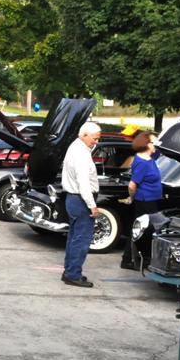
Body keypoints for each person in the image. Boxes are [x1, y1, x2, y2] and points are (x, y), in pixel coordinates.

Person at [61, 121, 102, 288]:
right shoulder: (82, 155)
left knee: (74, 237)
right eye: (95, 138)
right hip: (80, 200)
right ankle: (73, 274)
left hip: (73, 198)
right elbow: (83, 183)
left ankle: (70, 271)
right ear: (84, 135)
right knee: (81, 239)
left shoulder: (75, 147)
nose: (96, 142)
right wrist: (92, 206)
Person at [121, 131, 162, 270]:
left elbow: (161, 149)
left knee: (140, 229)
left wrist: (159, 141)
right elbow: (132, 185)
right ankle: (132, 260)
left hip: (151, 199)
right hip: (145, 201)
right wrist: (131, 197)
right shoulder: (142, 163)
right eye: (153, 142)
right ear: (146, 144)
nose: (155, 144)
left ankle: (131, 259)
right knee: (142, 230)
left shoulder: (150, 157)